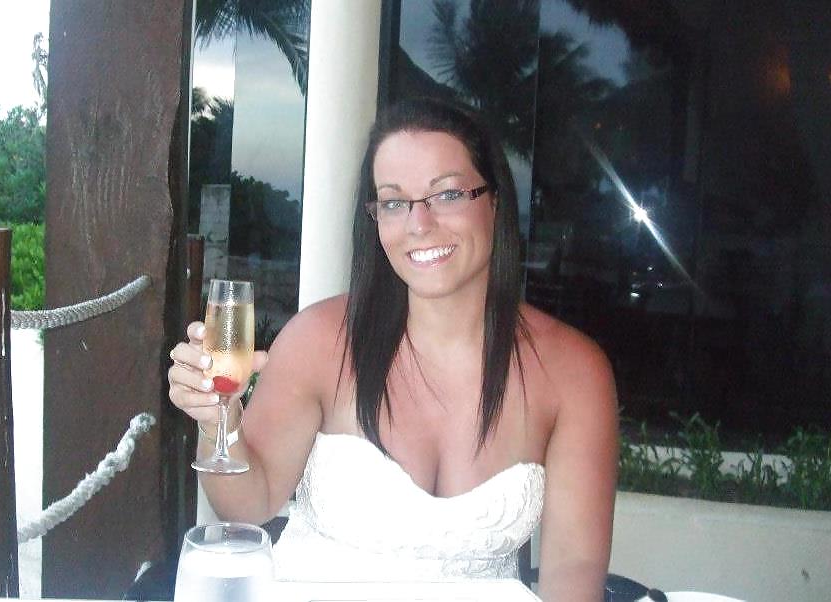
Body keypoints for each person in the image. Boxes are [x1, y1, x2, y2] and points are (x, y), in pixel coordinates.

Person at [168, 97, 618, 601]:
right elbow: (248, 506)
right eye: (393, 202)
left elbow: (575, 567)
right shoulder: (320, 339)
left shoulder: (573, 371)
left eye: (447, 194)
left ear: (494, 200)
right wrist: (217, 419)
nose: (418, 224)